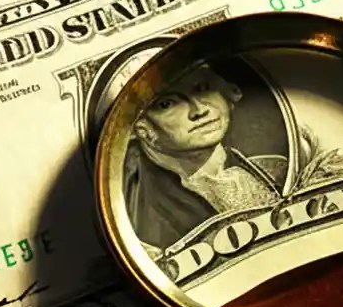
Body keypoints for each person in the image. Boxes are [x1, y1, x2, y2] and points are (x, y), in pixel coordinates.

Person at [122, 63, 287, 254]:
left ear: (229, 93)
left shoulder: (273, 170)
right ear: (143, 129)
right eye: (166, 104)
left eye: (202, 89)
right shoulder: (139, 218)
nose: (199, 111)